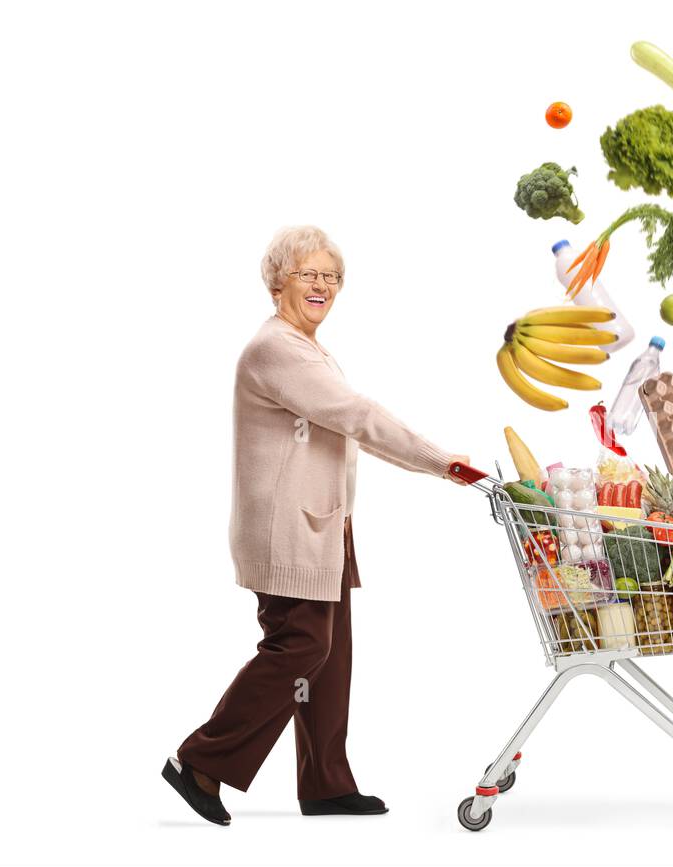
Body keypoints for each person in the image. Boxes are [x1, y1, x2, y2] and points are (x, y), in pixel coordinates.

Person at [162, 225, 469, 825]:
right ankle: (201, 760)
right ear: (279, 281)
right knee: (301, 646)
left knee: (328, 657)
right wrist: (442, 462)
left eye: (331, 276)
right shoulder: (275, 349)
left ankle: (325, 782)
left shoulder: (307, 348)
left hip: (326, 526)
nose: (322, 285)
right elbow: (356, 414)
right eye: (309, 274)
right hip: (288, 531)